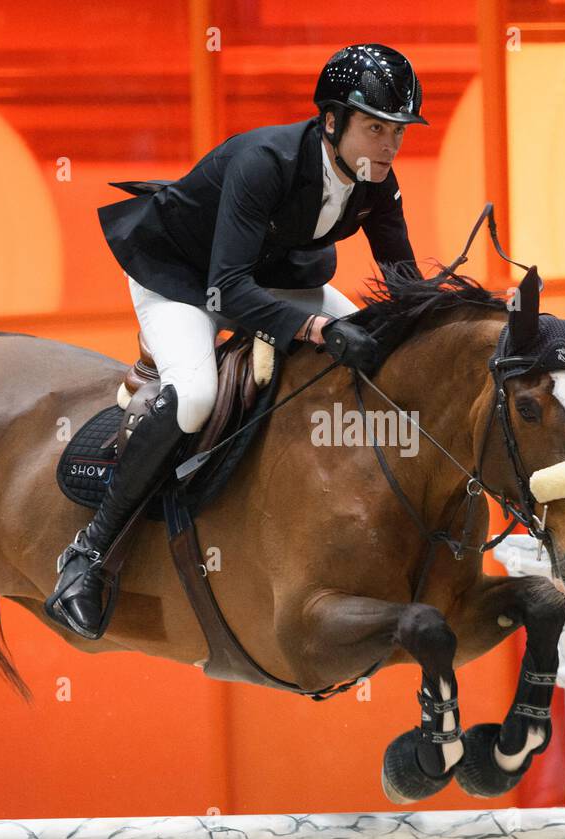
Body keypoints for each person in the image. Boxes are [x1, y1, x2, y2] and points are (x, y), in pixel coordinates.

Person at [45, 43, 428, 639]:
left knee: (375, 347)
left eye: (397, 132)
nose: (388, 146)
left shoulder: (377, 179)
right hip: (182, 279)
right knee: (196, 395)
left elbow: (404, 285)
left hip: (264, 278)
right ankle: (86, 557)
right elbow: (226, 291)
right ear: (331, 121)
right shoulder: (265, 161)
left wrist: (466, 316)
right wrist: (319, 329)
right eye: (375, 128)